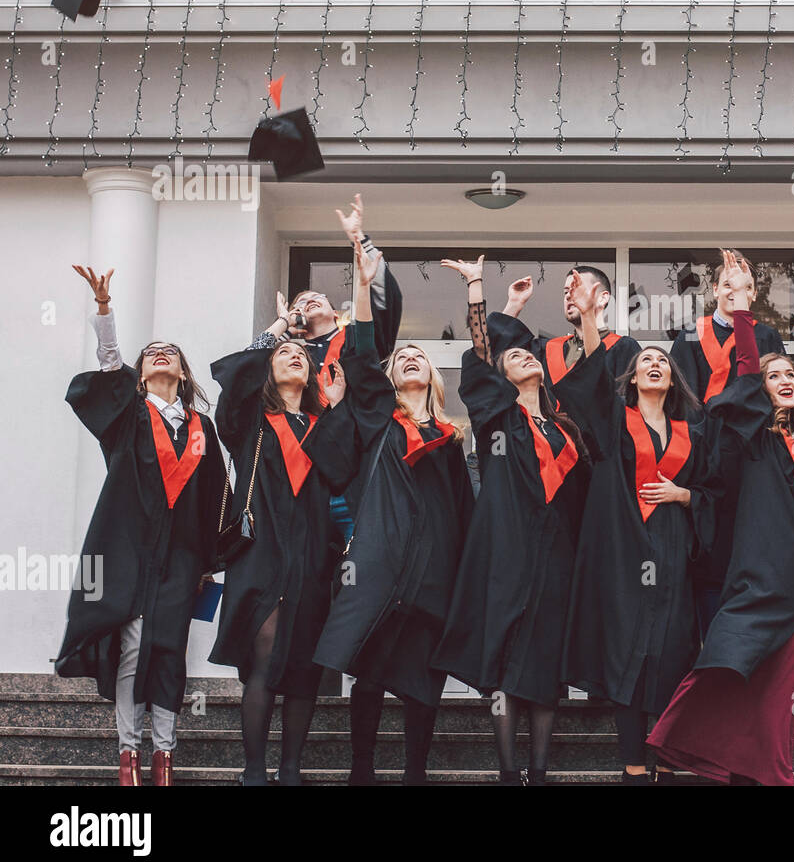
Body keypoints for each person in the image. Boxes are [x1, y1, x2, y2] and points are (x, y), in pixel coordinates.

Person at [647, 251, 794, 786]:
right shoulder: (750, 438)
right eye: (772, 373)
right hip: (755, 585)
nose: (782, 378)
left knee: (777, 703)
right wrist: (739, 311)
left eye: (790, 373)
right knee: (724, 672)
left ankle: (769, 777)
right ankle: (692, 751)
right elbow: (740, 383)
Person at [308, 244, 476, 786]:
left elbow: (464, 511)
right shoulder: (381, 418)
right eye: (400, 355)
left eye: (418, 356)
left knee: (423, 677)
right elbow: (359, 354)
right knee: (373, 671)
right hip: (382, 562)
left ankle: (415, 774)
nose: (408, 357)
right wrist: (363, 284)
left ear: (432, 376)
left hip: (432, 568)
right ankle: (362, 770)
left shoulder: (453, 438)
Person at [56, 265, 228, 787]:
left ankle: (164, 755)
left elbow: (213, 500)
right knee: (132, 649)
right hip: (129, 550)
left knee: (168, 647)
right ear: (140, 371)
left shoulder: (203, 429)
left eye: (170, 350)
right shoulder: (129, 416)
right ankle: (129, 754)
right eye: (151, 351)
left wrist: (207, 562)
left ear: (183, 370)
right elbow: (108, 375)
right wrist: (106, 312)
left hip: (180, 556)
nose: (161, 354)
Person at [554, 272, 722, 785]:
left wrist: (684, 494)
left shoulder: (693, 434)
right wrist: (587, 314)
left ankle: (667, 766)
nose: (653, 363)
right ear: (630, 378)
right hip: (621, 553)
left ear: (674, 380)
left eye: (663, 362)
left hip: (671, 552)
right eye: (644, 359)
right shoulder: (610, 421)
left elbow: (718, 494)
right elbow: (593, 377)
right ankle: (632, 767)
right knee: (628, 655)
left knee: (671, 656)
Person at [432, 256, 589, 785]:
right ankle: (507, 773)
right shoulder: (496, 415)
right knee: (502, 657)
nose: (524, 356)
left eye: (529, 352)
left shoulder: (566, 427)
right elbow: (479, 353)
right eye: (514, 354)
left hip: (556, 552)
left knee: (546, 661)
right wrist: (489, 296)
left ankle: (539, 773)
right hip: (505, 548)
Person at [208, 262, 359, 786]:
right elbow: (234, 372)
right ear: (269, 370)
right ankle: (254, 770)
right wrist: (278, 328)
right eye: (283, 355)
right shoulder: (249, 420)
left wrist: (337, 410)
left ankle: (290, 769)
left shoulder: (322, 422)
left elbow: (343, 474)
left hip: (314, 554)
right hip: (262, 552)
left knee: (303, 666)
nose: (293, 356)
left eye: (300, 354)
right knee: (264, 654)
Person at [270, 195, 403, 548]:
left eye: (318, 297)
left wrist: (360, 239)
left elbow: (378, 302)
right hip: (297, 469)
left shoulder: (355, 341)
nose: (308, 300)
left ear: (334, 310)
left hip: (351, 469)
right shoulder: (286, 356)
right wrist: (282, 326)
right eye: (300, 301)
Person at [669, 250, 785, 637]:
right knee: (705, 543)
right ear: (715, 288)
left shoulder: (765, 335)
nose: (738, 292)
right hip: (701, 448)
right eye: (730, 284)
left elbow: (770, 393)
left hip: (745, 449)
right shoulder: (689, 333)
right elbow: (679, 394)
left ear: (753, 295)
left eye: (747, 287)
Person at [500, 265, 641, 391]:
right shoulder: (547, 349)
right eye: (566, 291)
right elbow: (499, 355)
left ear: (602, 298)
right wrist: (514, 304)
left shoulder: (624, 348)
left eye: (578, 289)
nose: (569, 296)